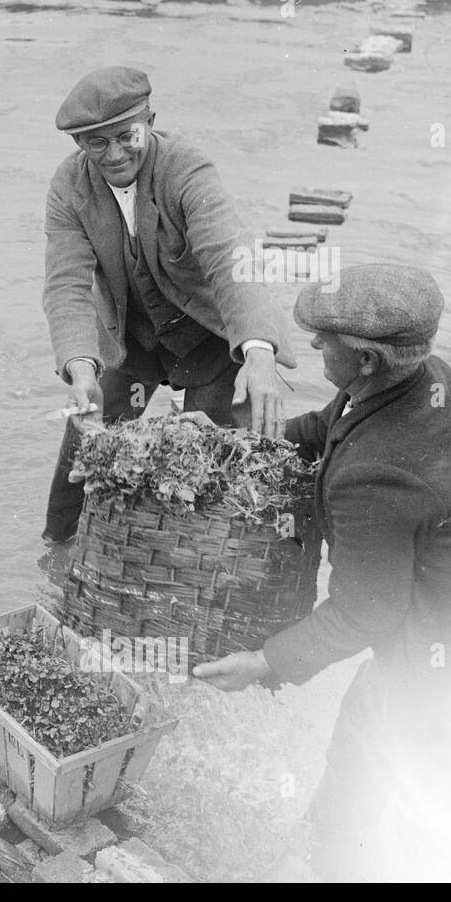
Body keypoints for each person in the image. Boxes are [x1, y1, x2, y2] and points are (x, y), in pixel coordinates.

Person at [194, 264, 451, 882]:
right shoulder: (426, 380)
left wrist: (267, 661)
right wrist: (226, 439)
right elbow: (329, 429)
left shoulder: (377, 475)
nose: (311, 348)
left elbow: (366, 611)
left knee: (366, 795)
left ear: (367, 359)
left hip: (438, 661)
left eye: (323, 341)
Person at [41, 65, 296, 543]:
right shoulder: (68, 188)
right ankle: (58, 552)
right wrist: (80, 369)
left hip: (205, 340)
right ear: (79, 145)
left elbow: (230, 260)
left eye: (126, 136)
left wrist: (260, 357)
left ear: (150, 120)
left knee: (204, 462)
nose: (115, 154)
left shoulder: (187, 169)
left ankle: (188, 561)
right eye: (97, 143)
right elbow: (66, 284)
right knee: (85, 442)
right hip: (130, 341)